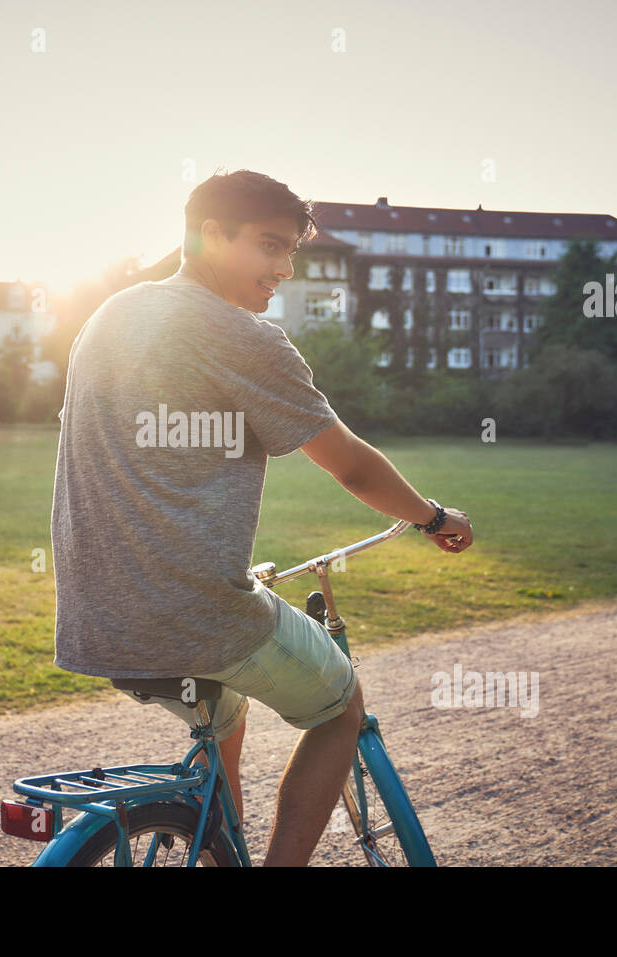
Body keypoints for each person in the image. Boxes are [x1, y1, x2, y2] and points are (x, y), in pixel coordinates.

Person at [49, 168, 473, 866]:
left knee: (226, 718)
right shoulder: (242, 335)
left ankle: (218, 848)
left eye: (291, 254)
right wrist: (432, 516)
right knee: (340, 705)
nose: (282, 269)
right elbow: (351, 465)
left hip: (95, 613)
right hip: (193, 611)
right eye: (269, 247)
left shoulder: (110, 316)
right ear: (211, 235)